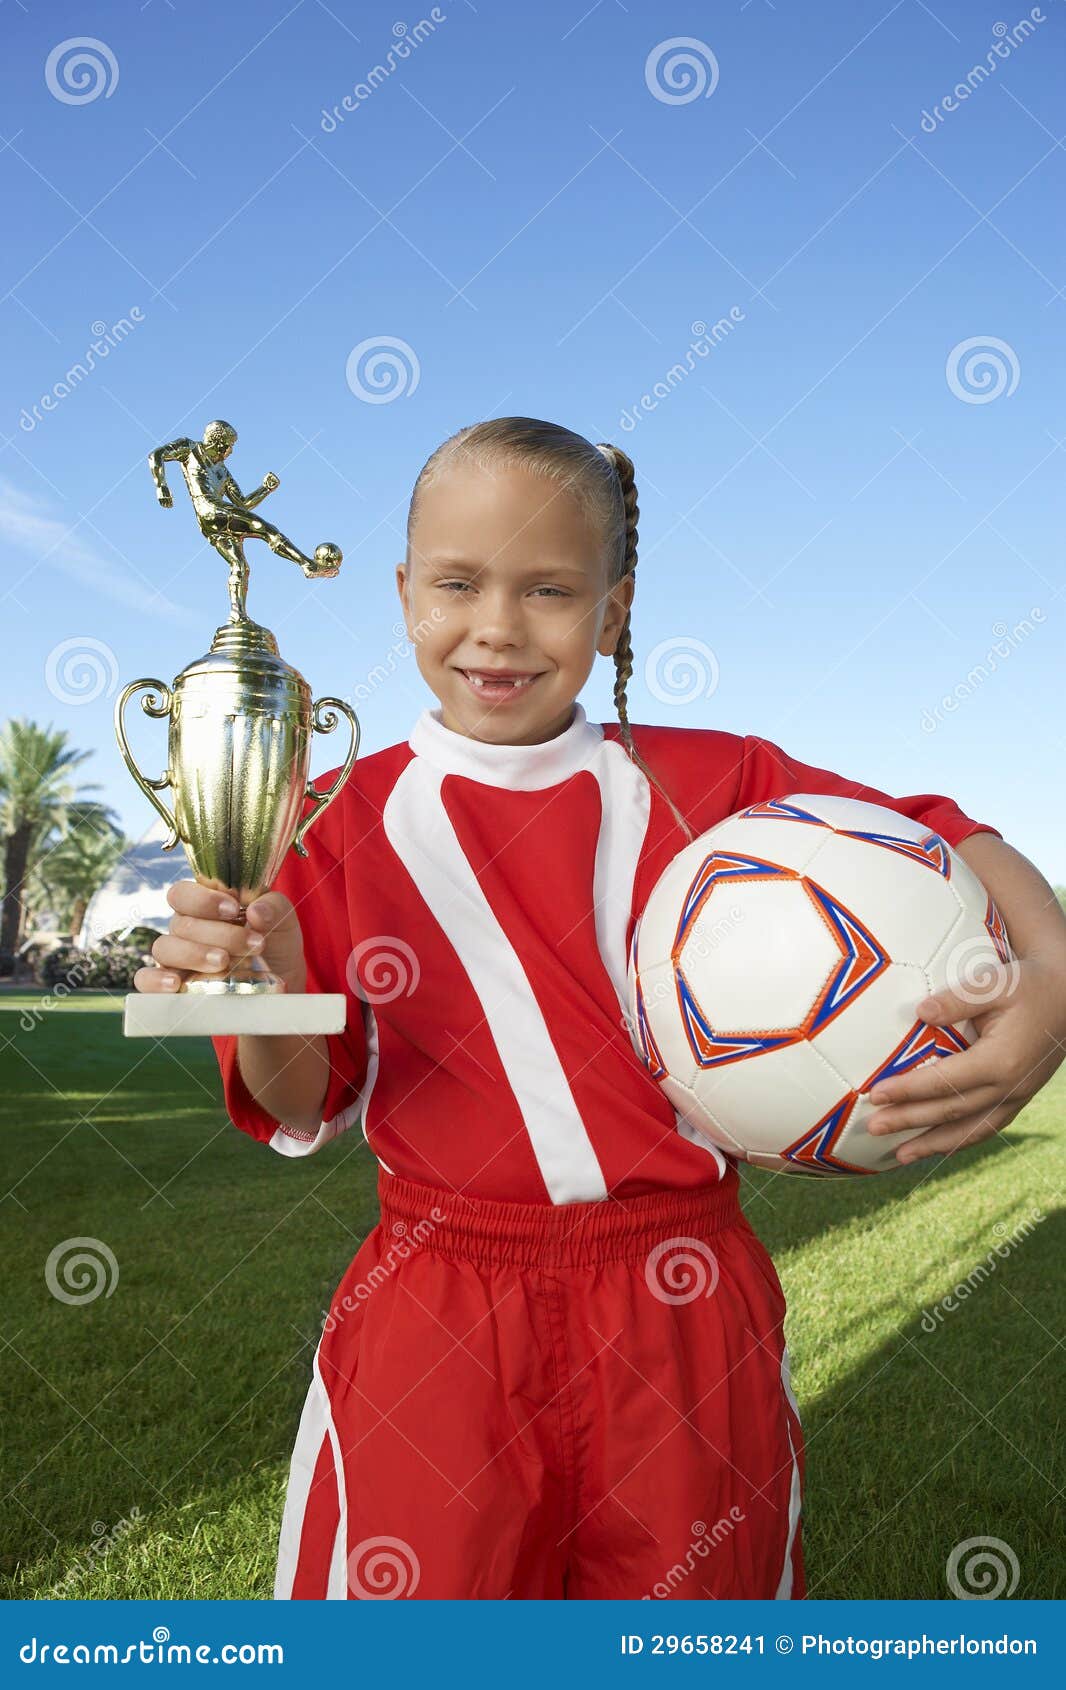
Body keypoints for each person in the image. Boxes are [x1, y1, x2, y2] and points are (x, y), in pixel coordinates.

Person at [134, 417, 1066, 1601]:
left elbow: (943, 829)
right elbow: (300, 1094)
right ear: (403, 593)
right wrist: (258, 989)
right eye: (457, 583)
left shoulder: (714, 782)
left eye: (551, 590)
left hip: (684, 1301)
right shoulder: (320, 816)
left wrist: (1052, 982)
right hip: (438, 1308)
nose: (498, 627)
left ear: (613, 614)